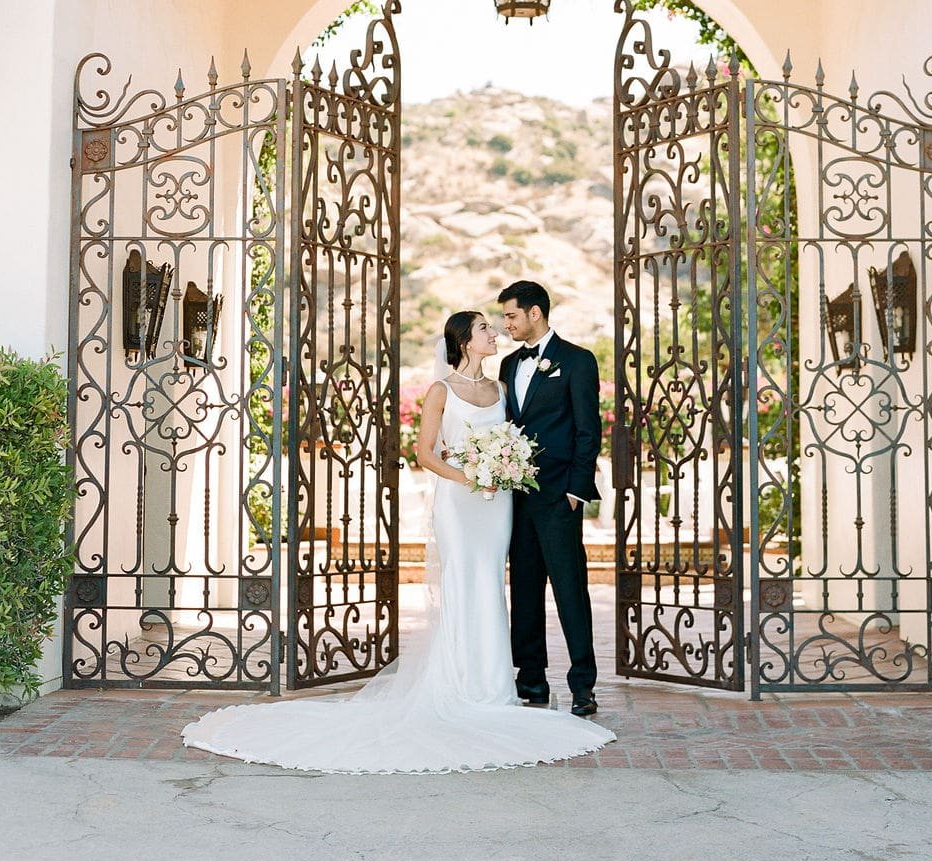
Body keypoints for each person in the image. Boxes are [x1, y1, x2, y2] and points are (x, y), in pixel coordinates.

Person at [180, 309, 614, 773]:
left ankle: (496, 684)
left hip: (498, 504)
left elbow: (519, 435)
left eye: (497, 322)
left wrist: (502, 470)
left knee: (491, 582)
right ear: (465, 342)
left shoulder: (502, 386)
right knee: (462, 581)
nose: (495, 332)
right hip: (462, 500)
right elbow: (426, 453)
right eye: (486, 327)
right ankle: (462, 683)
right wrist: (469, 475)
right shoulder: (439, 390)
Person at [498, 280, 601, 718]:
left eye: (511, 316)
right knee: (523, 591)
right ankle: (531, 680)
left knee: (570, 591)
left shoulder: (577, 361)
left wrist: (577, 491)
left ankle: (583, 686)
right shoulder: (506, 365)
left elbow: (588, 430)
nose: (506, 324)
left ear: (535, 313)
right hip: (515, 500)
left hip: (560, 497)